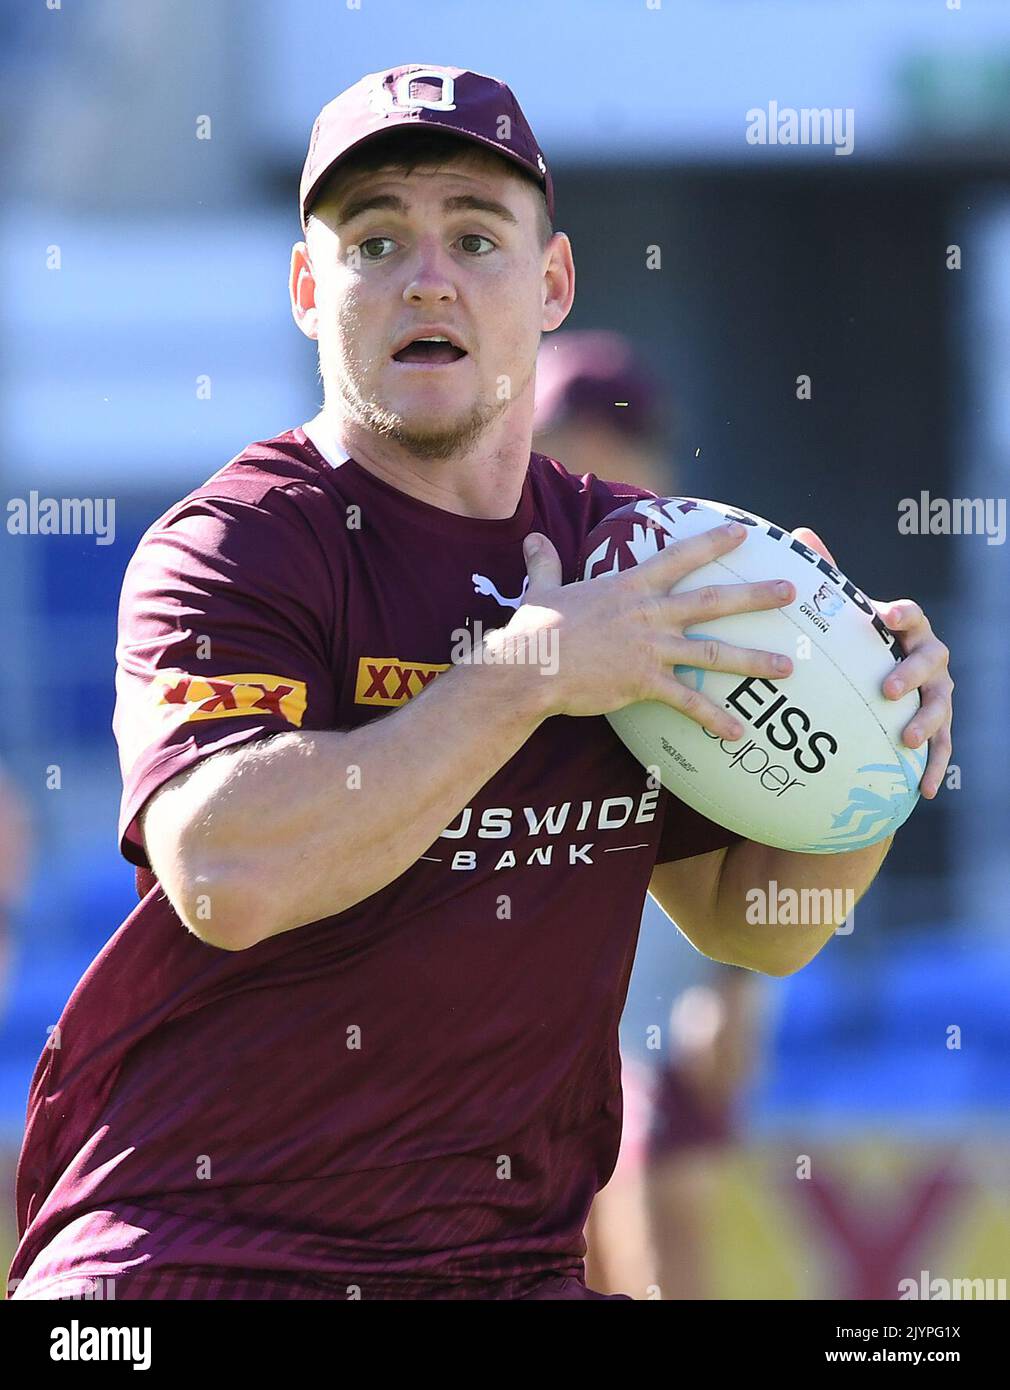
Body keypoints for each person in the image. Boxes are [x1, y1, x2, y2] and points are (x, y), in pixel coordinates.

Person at [8, 63, 953, 1302]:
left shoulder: (645, 558)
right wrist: (527, 673)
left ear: (550, 280)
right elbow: (227, 872)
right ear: (309, 289)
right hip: (196, 1254)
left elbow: (747, 918)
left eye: (473, 235)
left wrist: (875, 757)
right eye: (377, 240)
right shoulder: (235, 546)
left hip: (502, 1269)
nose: (427, 276)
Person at [532, 331, 767, 1299]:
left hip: (653, 1020)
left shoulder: (719, 605)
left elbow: (793, 793)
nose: (592, 461)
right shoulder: (490, 598)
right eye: (565, 436)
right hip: (502, 1037)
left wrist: (745, 986)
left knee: (662, 1239)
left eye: (614, 437)